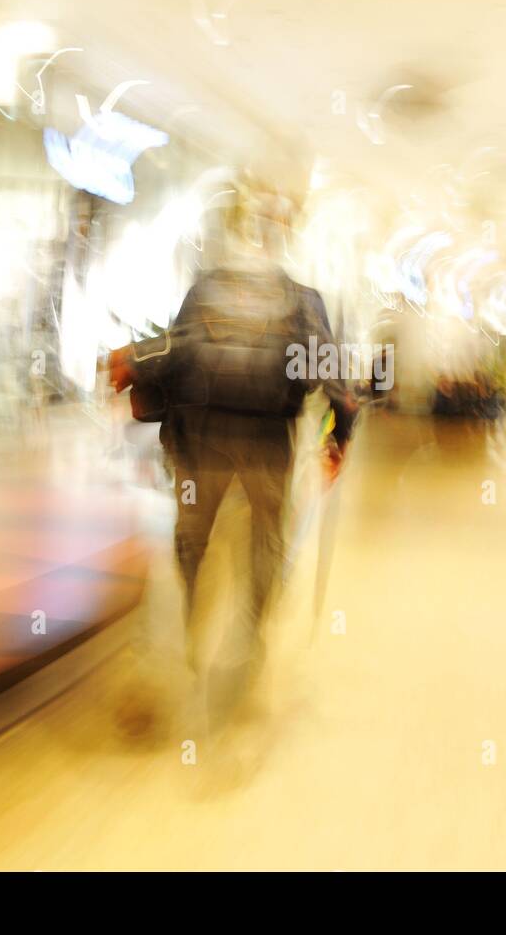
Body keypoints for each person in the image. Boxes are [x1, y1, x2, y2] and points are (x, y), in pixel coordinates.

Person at [112, 181, 357, 693]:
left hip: (199, 441)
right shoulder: (301, 298)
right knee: (268, 538)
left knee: (192, 534)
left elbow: (175, 355)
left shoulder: (203, 289)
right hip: (267, 443)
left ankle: (189, 616)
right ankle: (249, 636)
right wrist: (338, 438)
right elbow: (332, 377)